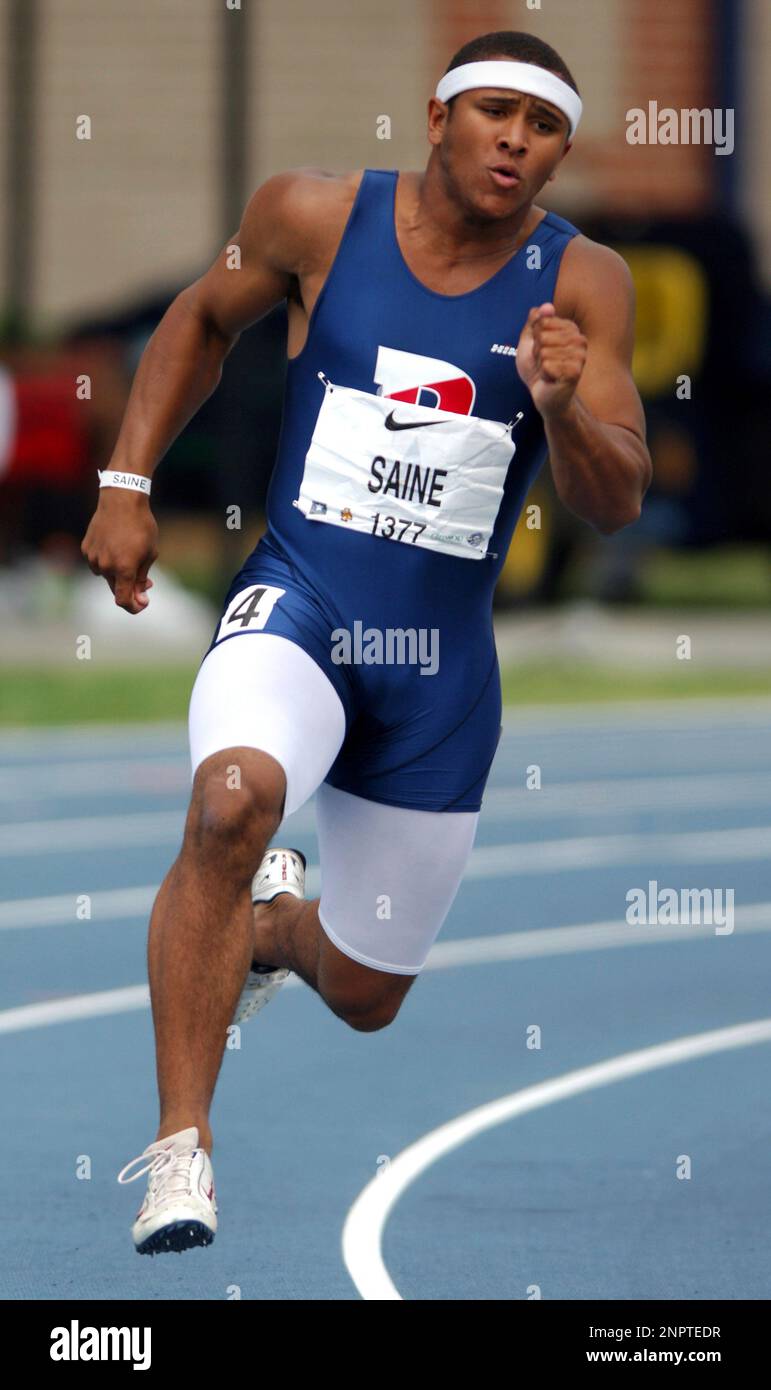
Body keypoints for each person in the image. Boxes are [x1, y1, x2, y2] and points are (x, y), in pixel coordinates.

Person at [82, 29, 651, 1255]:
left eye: (543, 126)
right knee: (231, 803)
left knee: (365, 994)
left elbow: (618, 497)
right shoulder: (313, 216)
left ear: (559, 155)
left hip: (437, 670)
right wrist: (127, 479)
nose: (516, 139)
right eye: (494, 112)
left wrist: (561, 410)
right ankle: (182, 1152)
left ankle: (278, 926)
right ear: (436, 115)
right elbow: (197, 317)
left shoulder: (587, 281)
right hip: (301, 603)